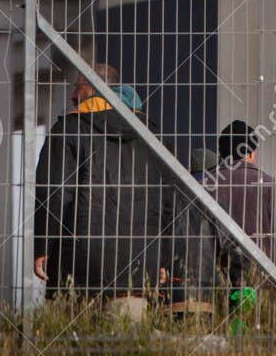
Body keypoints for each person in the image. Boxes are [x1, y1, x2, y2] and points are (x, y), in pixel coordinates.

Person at [32, 63, 184, 298]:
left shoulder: (69, 129)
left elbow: (53, 193)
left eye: (78, 88)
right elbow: (169, 202)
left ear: (94, 88)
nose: (73, 96)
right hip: (140, 265)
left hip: (78, 265)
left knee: (74, 331)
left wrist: (43, 246)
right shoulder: (156, 138)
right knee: (127, 332)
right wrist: (162, 257)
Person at [205, 120, 276, 287]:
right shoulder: (272, 187)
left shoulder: (206, 185)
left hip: (216, 285)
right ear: (252, 153)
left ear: (222, 153)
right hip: (262, 284)